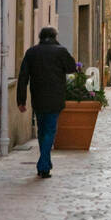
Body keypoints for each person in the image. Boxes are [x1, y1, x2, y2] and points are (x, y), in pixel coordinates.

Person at [16, 26, 78, 178]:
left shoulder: (32, 52)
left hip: (38, 98)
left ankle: (45, 163)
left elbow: (23, 77)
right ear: (55, 36)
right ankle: (43, 164)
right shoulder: (60, 51)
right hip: (55, 98)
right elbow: (72, 67)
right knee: (50, 131)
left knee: (42, 131)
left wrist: (21, 100)